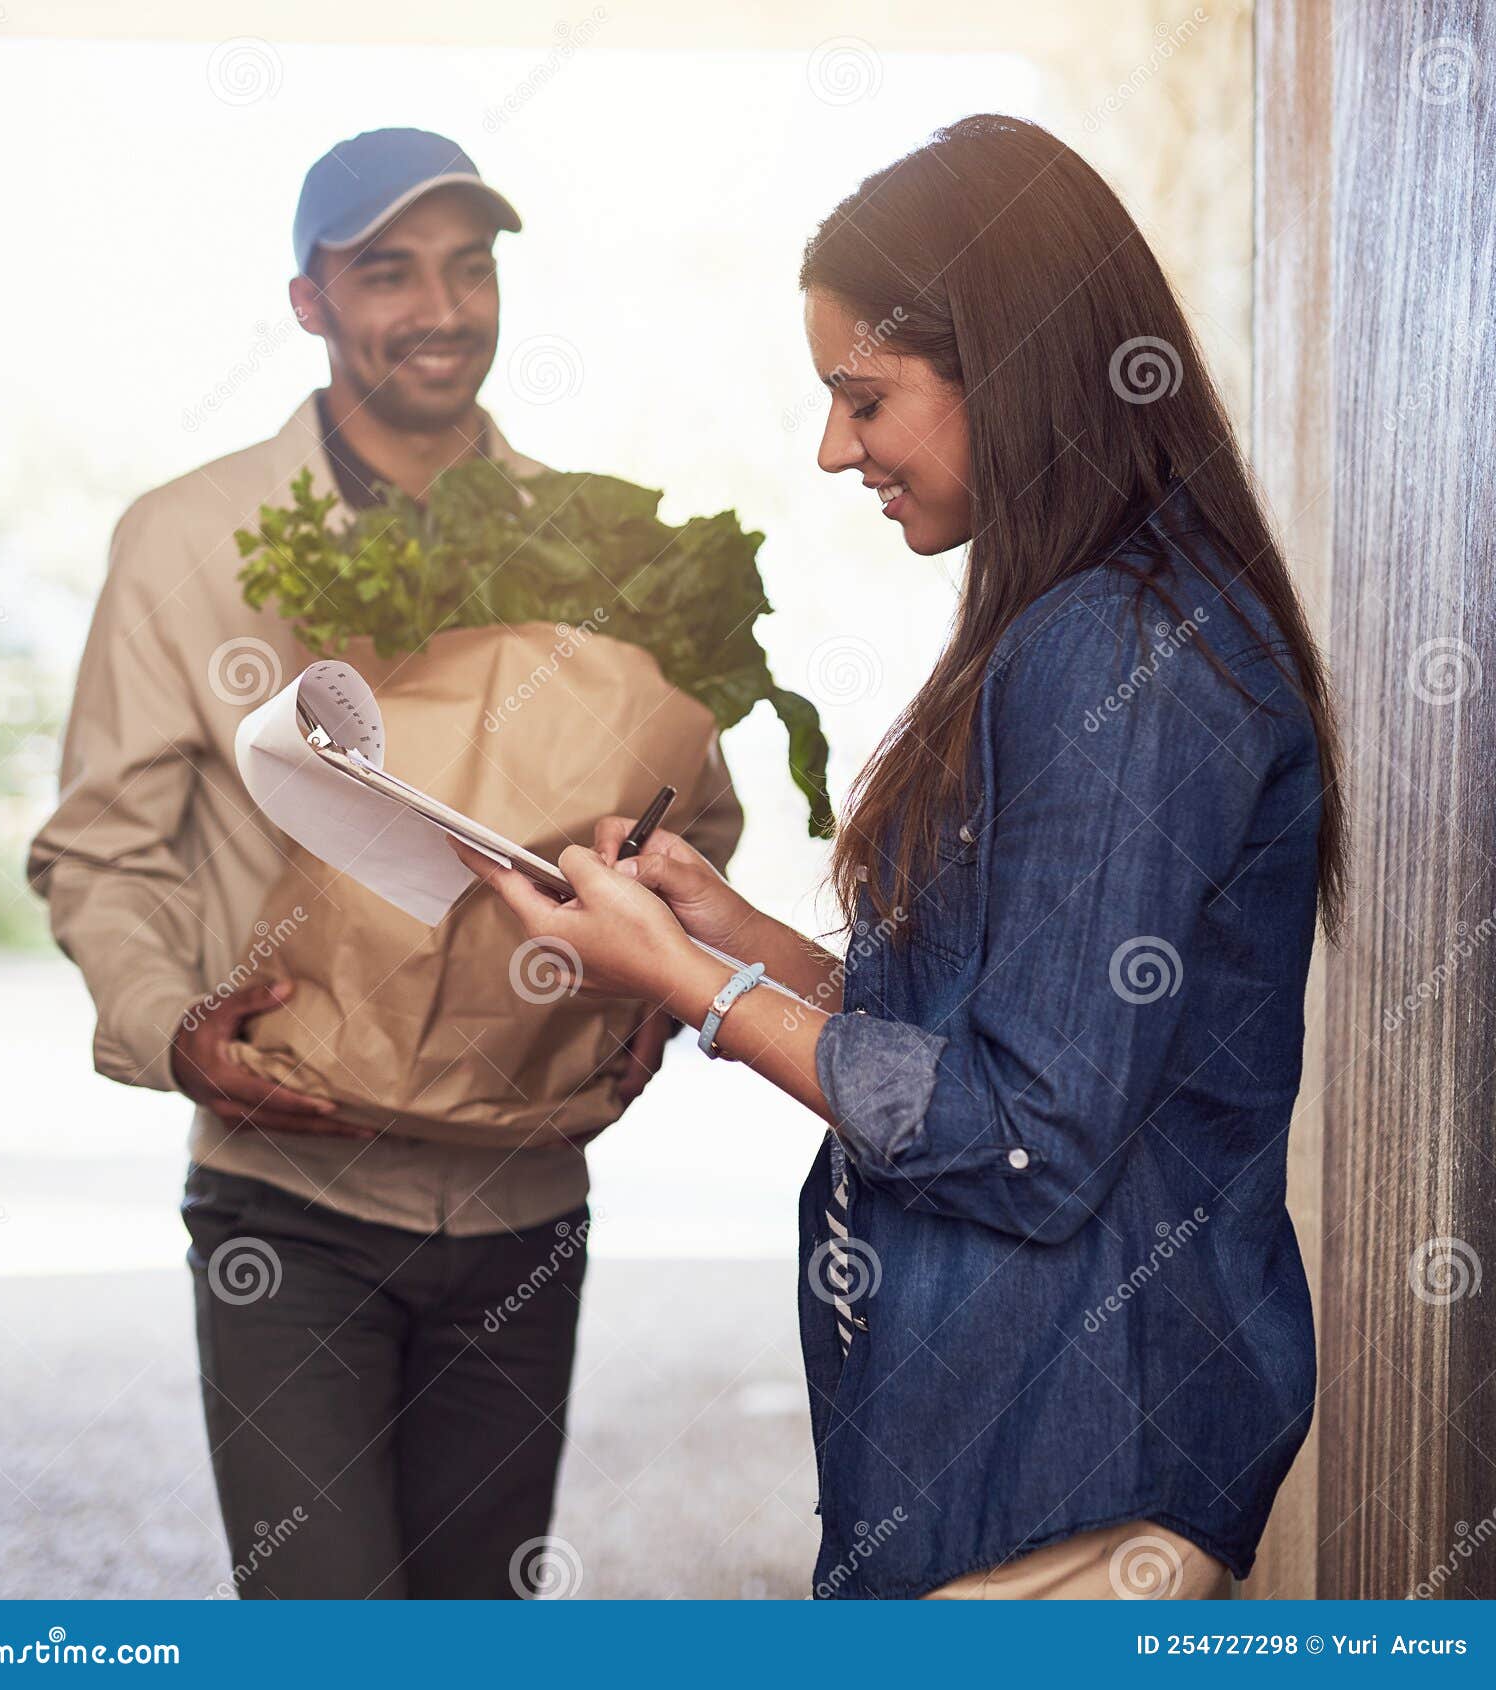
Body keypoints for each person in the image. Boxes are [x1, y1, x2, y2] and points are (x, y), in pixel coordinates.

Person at [463, 114, 1345, 1600]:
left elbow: (1030, 1129)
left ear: (1007, 361)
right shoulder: (1088, 620)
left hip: (1068, 1476)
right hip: (1026, 1463)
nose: (832, 449)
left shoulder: (1115, 646)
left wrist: (685, 981)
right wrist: (725, 928)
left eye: (863, 397)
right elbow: (999, 1034)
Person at [26, 128, 741, 1599]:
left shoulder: (597, 545)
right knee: (324, 1620)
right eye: (387, 270)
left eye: (470, 265)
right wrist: (173, 1025)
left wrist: (657, 990)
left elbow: (685, 825)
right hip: (290, 1199)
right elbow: (103, 844)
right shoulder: (187, 540)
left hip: (525, 1202)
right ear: (308, 301)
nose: (441, 306)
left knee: (478, 1621)